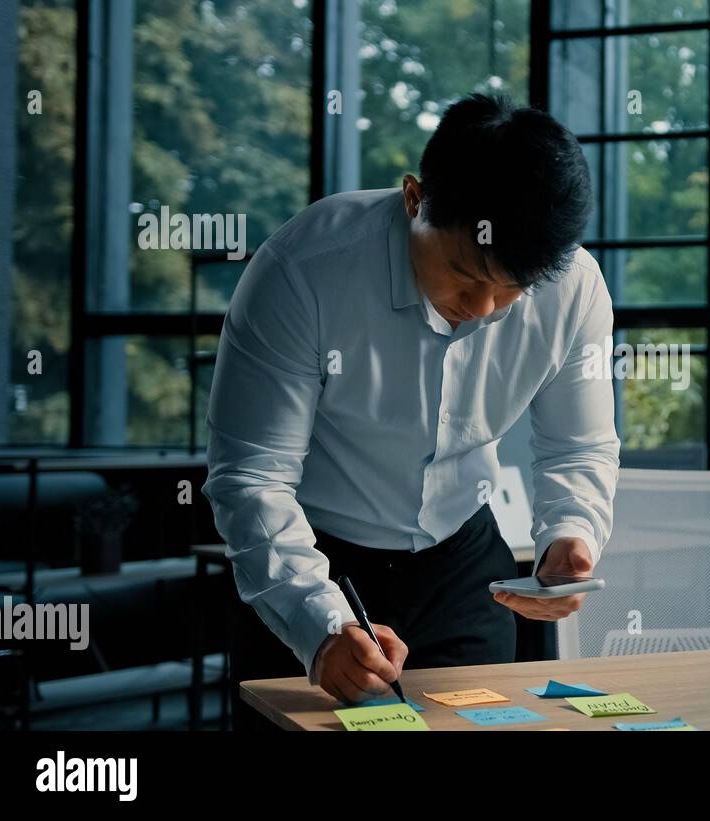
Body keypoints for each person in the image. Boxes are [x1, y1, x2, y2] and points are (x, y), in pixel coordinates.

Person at [201, 94, 619, 726]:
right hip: (313, 556)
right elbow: (253, 477)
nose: (483, 310)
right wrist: (319, 623)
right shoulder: (302, 272)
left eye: (511, 291)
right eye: (465, 275)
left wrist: (571, 533)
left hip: (463, 562)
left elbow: (577, 446)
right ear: (415, 199)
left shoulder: (576, 290)